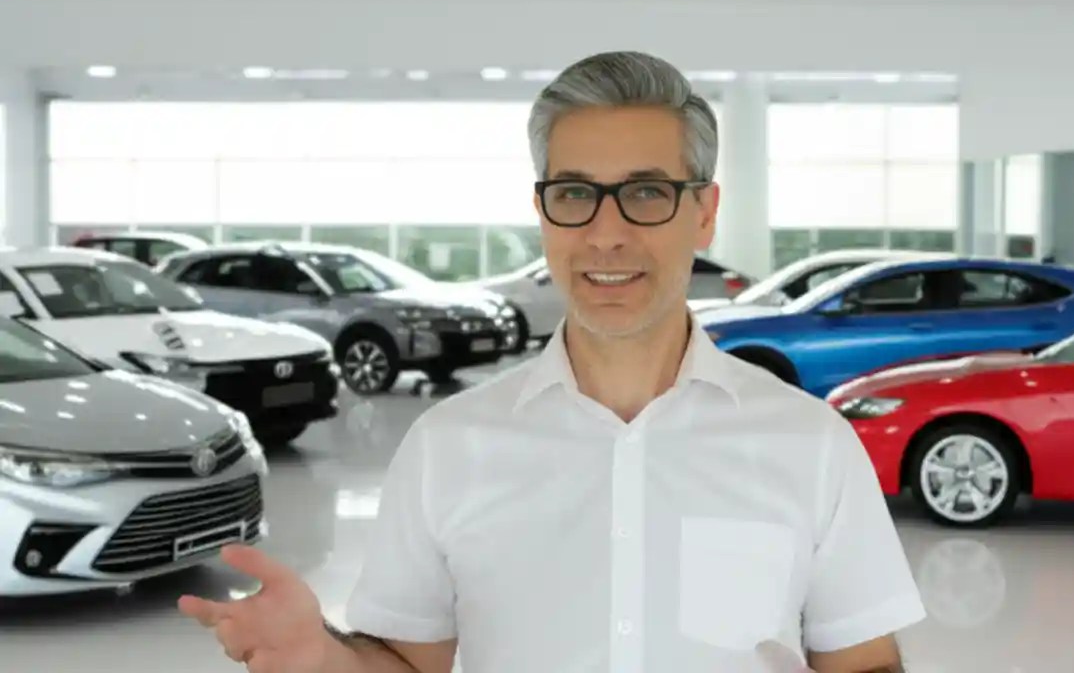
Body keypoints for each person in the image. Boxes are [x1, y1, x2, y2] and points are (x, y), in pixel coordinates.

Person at [179, 51, 925, 673]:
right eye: (574, 193)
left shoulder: (810, 443)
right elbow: (407, 664)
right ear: (543, 210)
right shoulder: (449, 447)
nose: (606, 233)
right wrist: (323, 657)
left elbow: (865, 663)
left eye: (645, 193)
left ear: (704, 212)